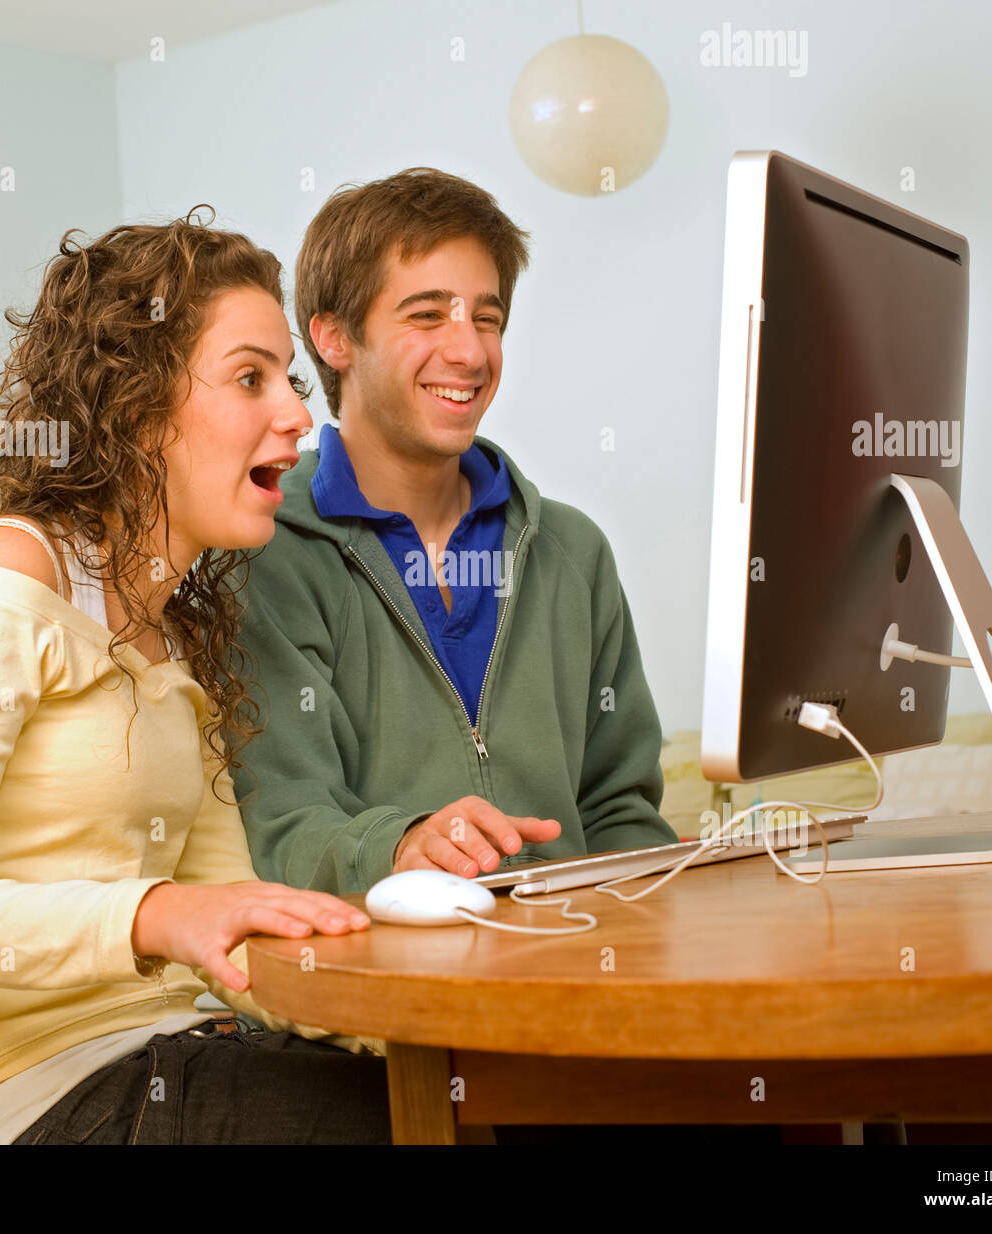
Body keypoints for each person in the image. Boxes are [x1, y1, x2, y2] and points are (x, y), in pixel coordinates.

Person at [0, 208, 391, 1145]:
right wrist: (156, 915)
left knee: (473, 1103)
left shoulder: (178, 637)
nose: (298, 413)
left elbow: (229, 931)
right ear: (136, 408)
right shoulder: (9, 577)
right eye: (250, 378)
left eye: (287, 381)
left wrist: (415, 1026)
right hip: (18, 1098)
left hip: (177, 1049)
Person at [233, 167, 677, 894]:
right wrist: (403, 846)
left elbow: (621, 807)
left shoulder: (574, 552)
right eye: (428, 315)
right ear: (336, 338)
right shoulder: (267, 553)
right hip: (391, 979)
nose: (470, 352)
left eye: (488, 317)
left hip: (583, 961)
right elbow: (286, 825)